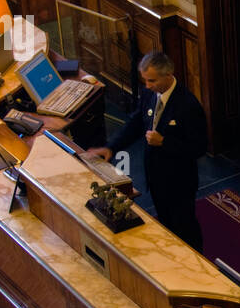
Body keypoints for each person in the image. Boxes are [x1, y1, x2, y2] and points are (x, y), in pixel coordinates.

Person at [85, 51, 207, 252]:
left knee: (185, 228)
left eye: (152, 80)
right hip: (155, 177)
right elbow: (135, 124)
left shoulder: (188, 105)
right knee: (166, 225)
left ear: (168, 75)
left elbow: (199, 147)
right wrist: (111, 147)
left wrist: (164, 142)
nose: (147, 85)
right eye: (145, 80)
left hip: (179, 182)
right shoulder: (150, 94)